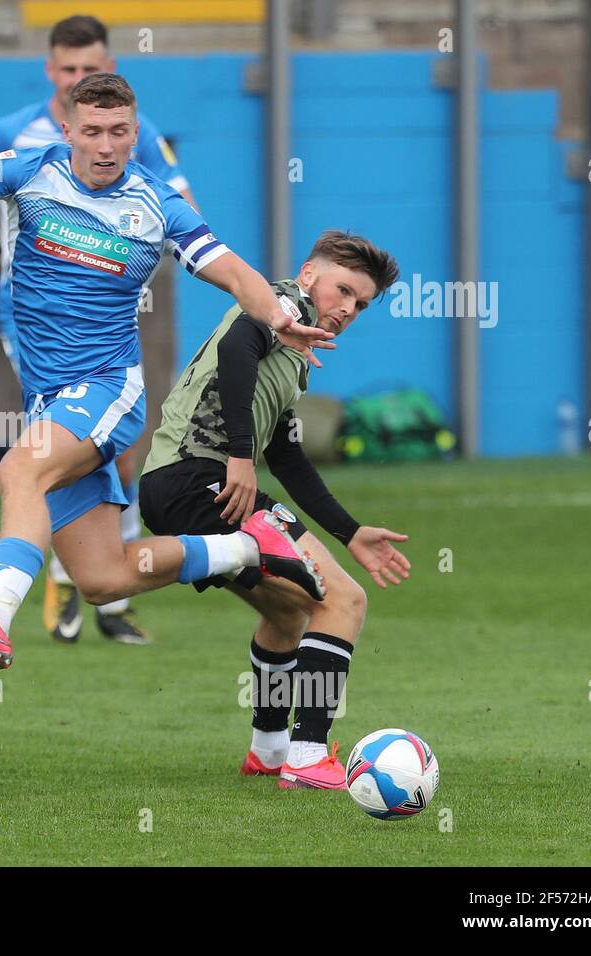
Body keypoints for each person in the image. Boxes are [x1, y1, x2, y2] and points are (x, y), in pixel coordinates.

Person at [0, 73, 333, 674]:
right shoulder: (29, 169)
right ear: (68, 130)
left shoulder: (157, 204)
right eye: (91, 131)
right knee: (103, 577)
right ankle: (246, 547)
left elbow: (232, 272)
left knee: (20, 467)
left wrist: (279, 318)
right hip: (47, 399)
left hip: (106, 389)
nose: (104, 145)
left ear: (134, 134)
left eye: (118, 132)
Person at [0, 13, 196, 646]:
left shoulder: (136, 133)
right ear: (52, 72)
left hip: (110, 321)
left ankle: (92, 582)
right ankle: (65, 579)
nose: (81, 77)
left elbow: (186, 212)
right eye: (71, 70)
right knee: (54, 450)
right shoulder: (14, 136)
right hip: (31, 322)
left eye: (92, 68)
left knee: (99, 450)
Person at [139, 230, 410, 790]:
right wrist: (239, 457)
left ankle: (269, 752)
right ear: (309, 274)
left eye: (360, 304)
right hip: (201, 480)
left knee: (288, 614)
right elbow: (239, 346)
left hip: (174, 484)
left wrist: (349, 530)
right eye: (343, 291)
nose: (347, 309)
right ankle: (310, 757)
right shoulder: (281, 303)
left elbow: (286, 456)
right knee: (343, 601)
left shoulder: (296, 350)